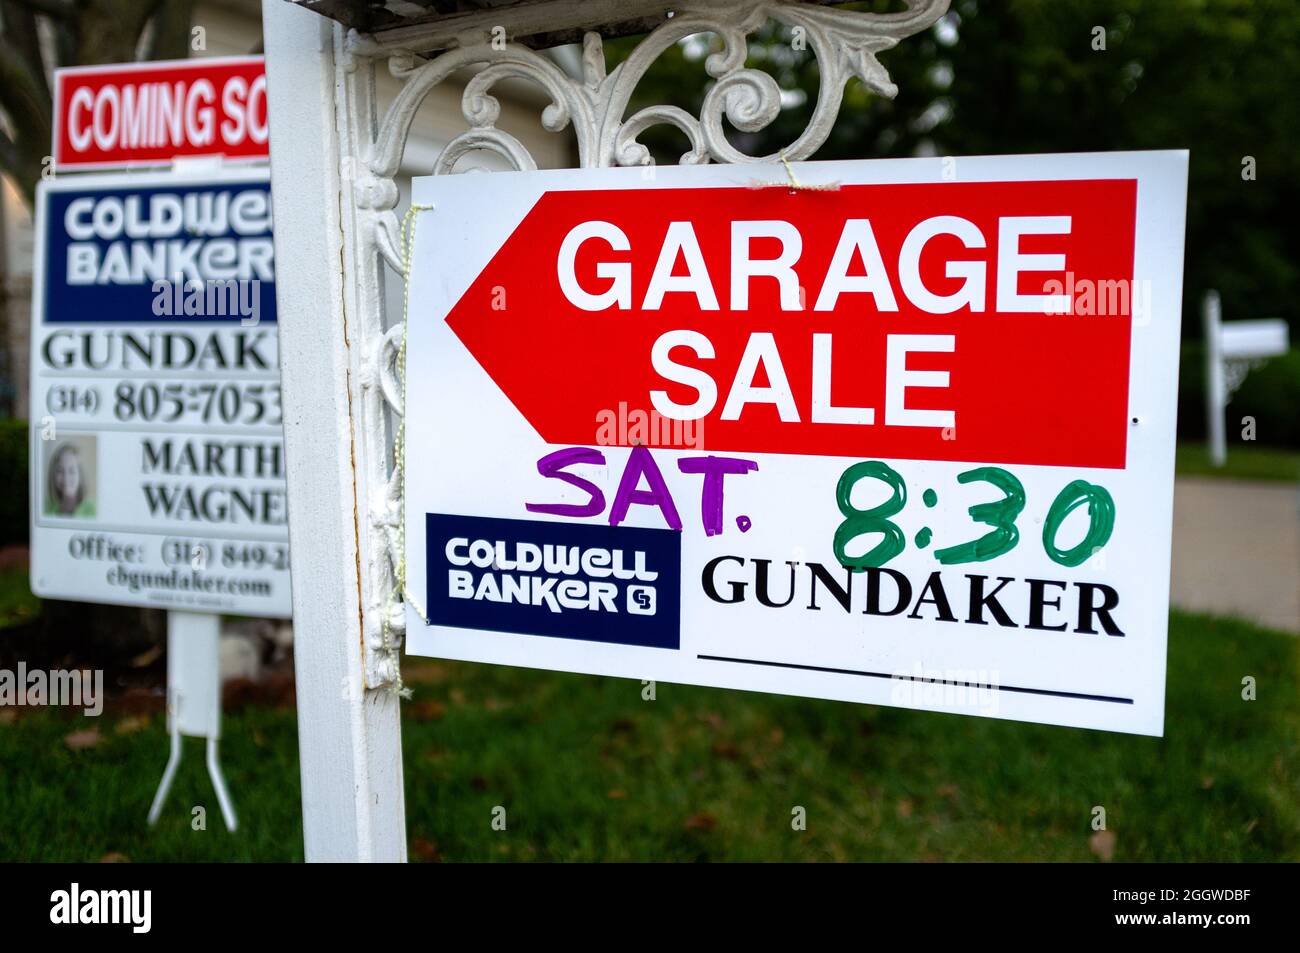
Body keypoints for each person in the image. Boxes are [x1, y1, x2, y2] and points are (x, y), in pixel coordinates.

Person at [46, 442, 95, 517]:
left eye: (72, 471)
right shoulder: (47, 508)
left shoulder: (93, 508)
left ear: (80, 475)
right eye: (60, 470)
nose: (66, 477)